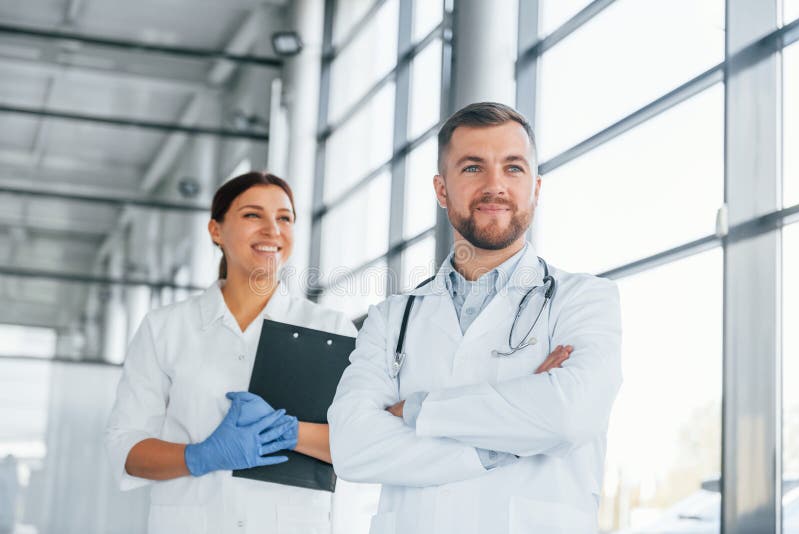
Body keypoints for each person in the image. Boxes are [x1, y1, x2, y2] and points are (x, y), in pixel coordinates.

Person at [328, 102, 622, 534]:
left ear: (536, 188)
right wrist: (506, 445)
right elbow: (351, 447)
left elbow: (569, 417)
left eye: (513, 168)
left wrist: (415, 408)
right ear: (442, 189)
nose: (494, 185)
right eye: (472, 168)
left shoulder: (583, 300)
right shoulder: (392, 317)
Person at [106, 172, 372, 534]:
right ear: (216, 230)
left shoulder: (331, 329)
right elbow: (128, 450)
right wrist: (201, 456)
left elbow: (361, 442)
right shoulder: (165, 328)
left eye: (284, 218)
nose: (272, 230)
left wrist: (289, 433)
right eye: (252, 215)